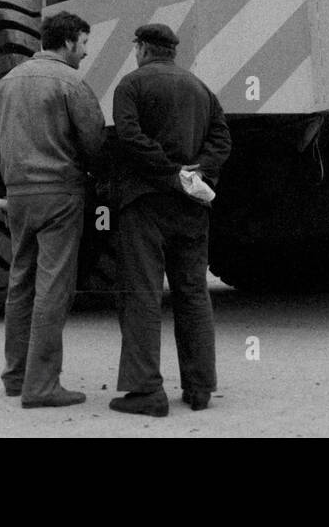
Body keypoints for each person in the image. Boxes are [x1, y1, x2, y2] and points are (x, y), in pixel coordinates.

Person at [0, 12, 106, 408]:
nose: (86, 53)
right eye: (84, 44)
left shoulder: (8, 82)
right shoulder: (71, 82)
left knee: (21, 282)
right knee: (53, 288)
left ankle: (16, 377)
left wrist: (5, 189)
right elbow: (94, 143)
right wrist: (92, 179)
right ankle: (43, 385)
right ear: (69, 42)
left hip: (19, 196)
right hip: (60, 196)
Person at [109, 23, 233, 416]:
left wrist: (168, 173)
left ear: (144, 48)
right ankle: (200, 389)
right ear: (172, 51)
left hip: (145, 202)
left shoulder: (130, 85)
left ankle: (146, 392)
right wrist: (197, 174)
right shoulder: (200, 88)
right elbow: (222, 140)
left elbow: (128, 138)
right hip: (192, 206)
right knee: (193, 293)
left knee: (142, 294)